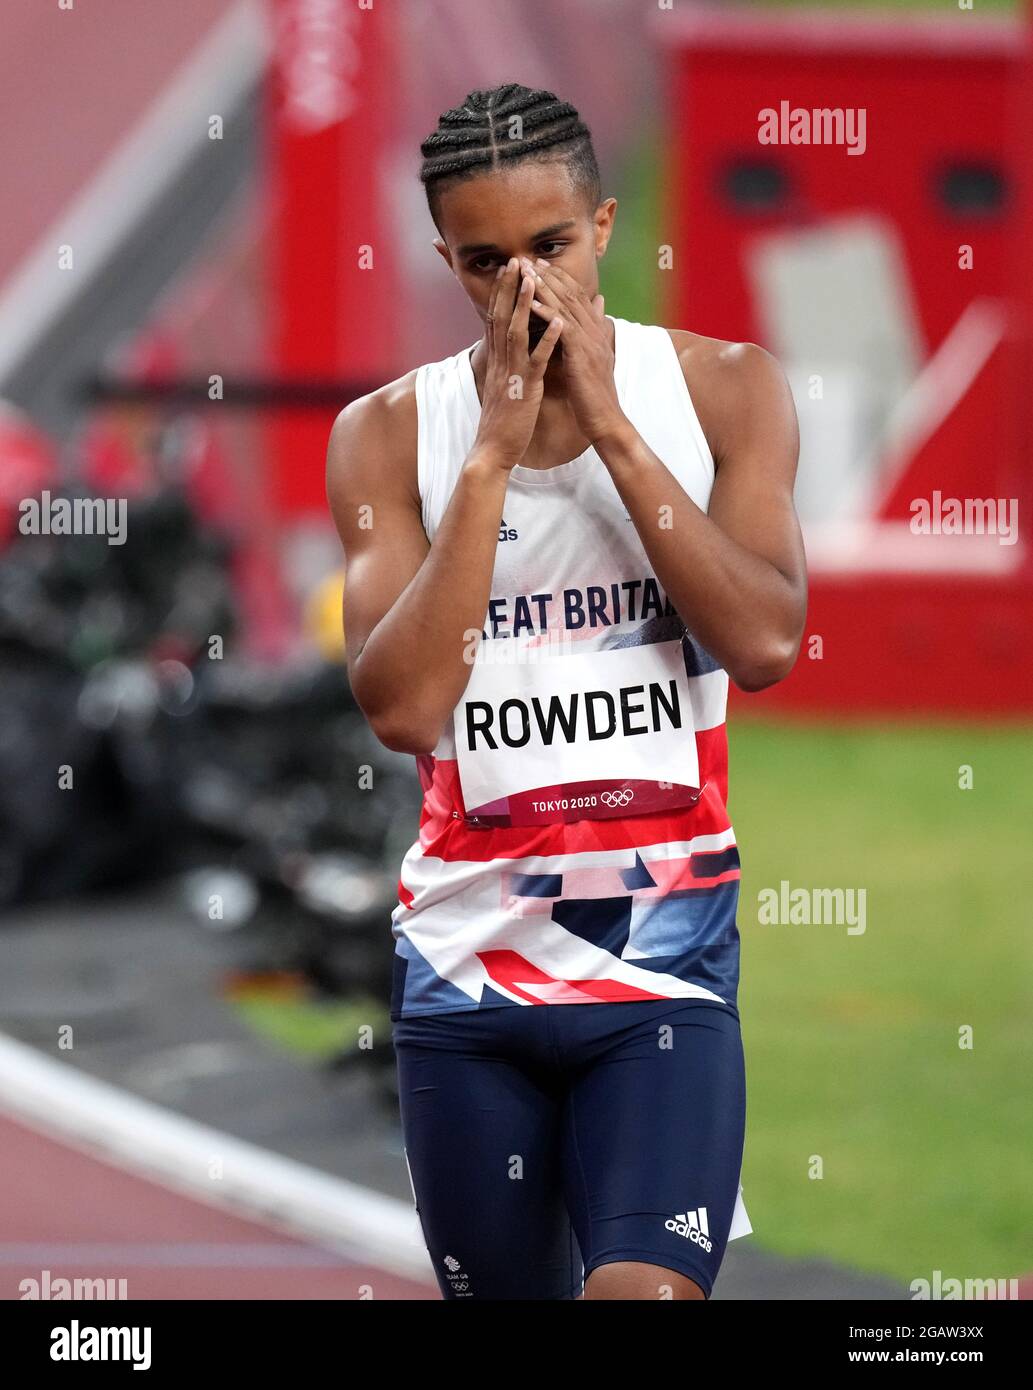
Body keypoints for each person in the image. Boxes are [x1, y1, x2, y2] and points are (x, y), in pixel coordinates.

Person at [326, 84, 806, 1301]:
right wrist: (488, 456)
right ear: (447, 260)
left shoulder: (723, 389)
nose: (524, 289)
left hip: (661, 969)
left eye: (548, 248)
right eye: (486, 263)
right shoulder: (389, 435)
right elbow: (401, 708)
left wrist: (611, 429)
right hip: (467, 972)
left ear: (601, 226)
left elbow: (759, 641)